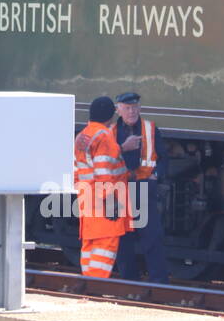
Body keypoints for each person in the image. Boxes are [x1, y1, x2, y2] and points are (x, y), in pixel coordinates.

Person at [114, 91, 170, 283]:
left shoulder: (150, 129)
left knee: (152, 237)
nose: (132, 111)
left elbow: (163, 158)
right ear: (119, 110)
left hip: (144, 189)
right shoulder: (111, 132)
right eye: (127, 108)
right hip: (121, 190)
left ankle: (159, 283)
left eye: (135, 107)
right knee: (124, 239)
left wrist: (156, 175)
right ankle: (129, 283)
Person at [73, 95, 132, 277]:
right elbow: (104, 171)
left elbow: (77, 170)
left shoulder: (83, 136)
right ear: (110, 116)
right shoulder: (104, 137)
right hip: (103, 201)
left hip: (86, 197)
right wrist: (109, 201)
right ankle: (96, 284)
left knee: (90, 243)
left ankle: (89, 281)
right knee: (106, 243)